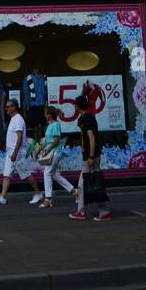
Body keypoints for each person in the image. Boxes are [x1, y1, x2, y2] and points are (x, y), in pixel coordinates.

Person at [0, 98, 42, 204]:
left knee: (26, 174)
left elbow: (19, 137)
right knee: (7, 175)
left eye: (8, 107)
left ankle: (38, 193)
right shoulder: (13, 119)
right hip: (11, 153)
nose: (6, 109)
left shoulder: (18, 119)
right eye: (6, 107)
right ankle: (3, 198)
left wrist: (15, 152)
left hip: (17, 153)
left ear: (14, 107)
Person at [70, 92, 112, 221]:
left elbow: (91, 138)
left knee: (93, 183)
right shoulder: (87, 117)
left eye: (75, 105)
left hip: (91, 157)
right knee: (89, 183)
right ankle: (85, 211)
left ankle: (100, 211)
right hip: (90, 156)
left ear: (78, 106)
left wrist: (91, 156)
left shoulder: (86, 119)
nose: (74, 107)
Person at [35, 105, 76, 209]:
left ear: (49, 115)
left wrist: (47, 150)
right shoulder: (50, 125)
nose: (44, 115)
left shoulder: (56, 125)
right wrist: (39, 150)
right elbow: (47, 141)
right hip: (51, 152)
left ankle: (48, 199)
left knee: (47, 173)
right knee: (54, 174)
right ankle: (74, 191)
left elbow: (56, 141)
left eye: (46, 114)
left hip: (55, 152)